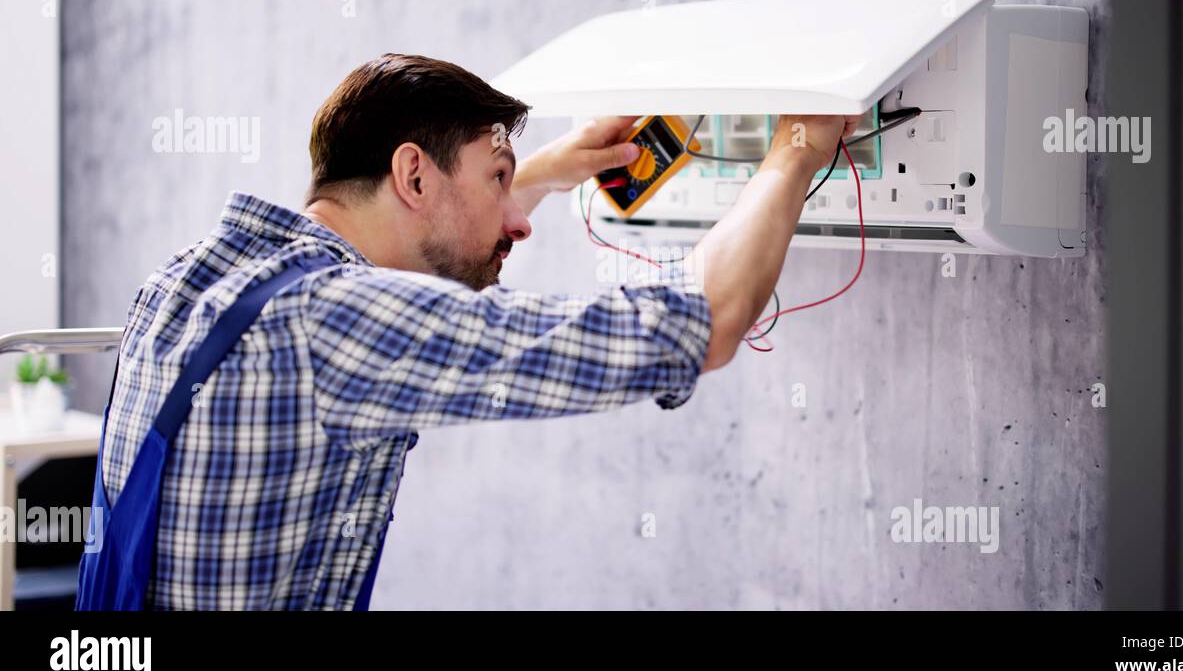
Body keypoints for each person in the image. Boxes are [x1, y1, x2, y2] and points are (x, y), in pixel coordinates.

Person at [83, 53, 861, 609]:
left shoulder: (192, 277)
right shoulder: (339, 324)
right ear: (414, 175)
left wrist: (540, 171)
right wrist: (796, 151)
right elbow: (705, 321)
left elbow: (423, 248)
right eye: (498, 180)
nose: (519, 223)